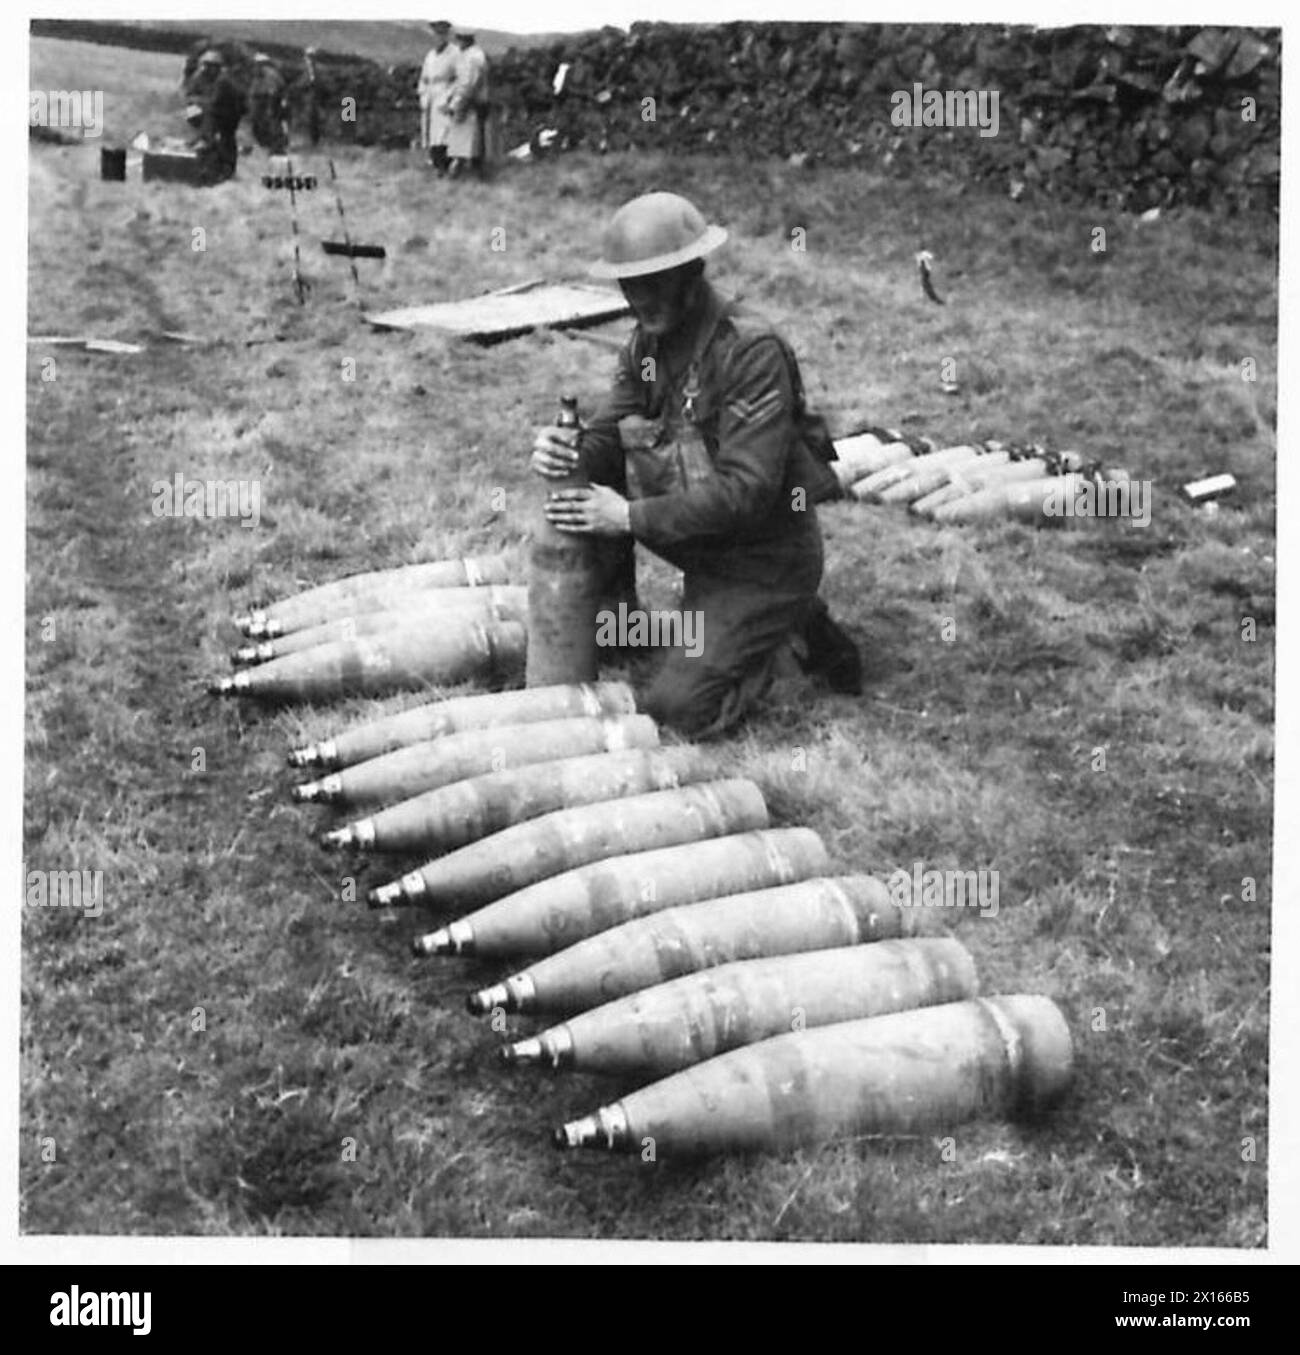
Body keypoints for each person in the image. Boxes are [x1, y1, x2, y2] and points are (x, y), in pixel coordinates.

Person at [530, 192, 862, 739]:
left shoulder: (751, 352)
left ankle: (788, 639)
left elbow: (746, 492)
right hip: (702, 545)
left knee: (675, 710)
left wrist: (629, 518)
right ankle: (621, 620)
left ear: (693, 271)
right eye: (630, 285)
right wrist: (564, 450)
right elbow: (606, 441)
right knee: (594, 475)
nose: (642, 299)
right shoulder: (645, 346)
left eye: (656, 282)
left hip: (763, 562)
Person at [185, 49, 243, 185]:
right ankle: (205, 151)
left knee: (224, 141)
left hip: (228, 114)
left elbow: (216, 102)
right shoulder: (199, 77)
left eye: (211, 65)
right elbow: (190, 94)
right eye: (205, 64)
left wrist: (200, 102)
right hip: (211, 111)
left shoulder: (224, 80)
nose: (206, 68)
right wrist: (195, 105)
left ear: (217, 67)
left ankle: (225, 171)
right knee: (207, 134)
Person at [443, 31, 490, 177]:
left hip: (472, 102)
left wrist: (457, 104)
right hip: (469, 100)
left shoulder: (473, 57)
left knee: (472, 138)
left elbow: (468, 84)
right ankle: (465, 168)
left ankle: (475, 171)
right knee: (466, 138)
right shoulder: (468, 55)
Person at [418, 21, 458, 173]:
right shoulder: (430, 55)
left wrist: (450, 96)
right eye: (436, 33)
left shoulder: (454, 53)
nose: (439, 37)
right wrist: (423, 94)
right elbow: (423, 78)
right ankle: (434, 162)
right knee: (431, 132)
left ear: (447, 35)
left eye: (442, 33)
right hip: (430, 94)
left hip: (445, 93)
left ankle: (445, 165)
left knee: (444, 132)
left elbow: (459, 78)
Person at [248, 53, 288, 155]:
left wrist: (270, 107)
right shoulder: (257, 73)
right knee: (256, 122)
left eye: (258, 64)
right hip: (258, 100)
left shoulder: (270, 74)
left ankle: (275, 145)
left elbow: (273, 91)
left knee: (271, 123)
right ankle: (263, 143)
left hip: (268, 100)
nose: (256, 66)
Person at [295, 45, 322, 146]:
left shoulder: (312, 69)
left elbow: (307, 81)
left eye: (309, 56)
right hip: (310, 96)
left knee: (311, 118)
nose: (306, 58)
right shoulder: (312, 68)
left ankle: (312, 140)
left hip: (311, 96)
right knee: (311, 118)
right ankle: (312, 139)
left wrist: (297, 86)